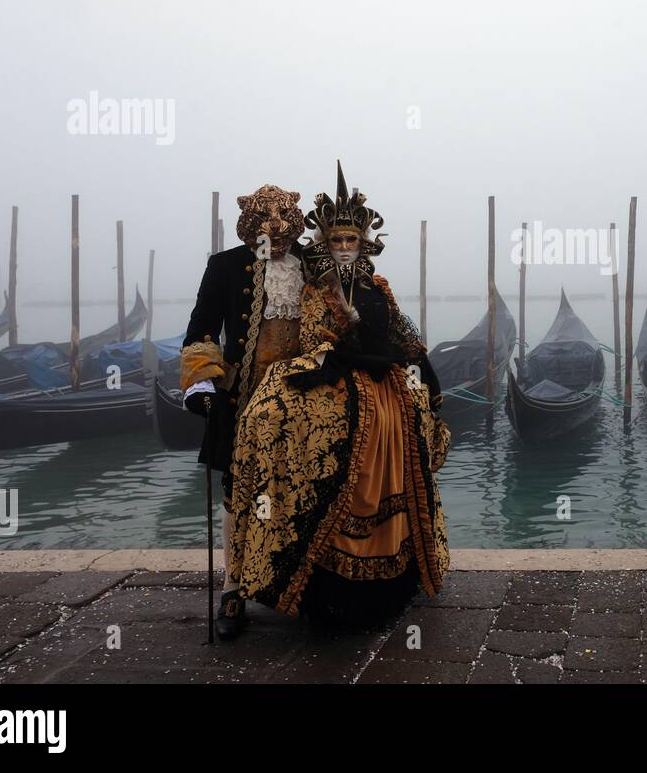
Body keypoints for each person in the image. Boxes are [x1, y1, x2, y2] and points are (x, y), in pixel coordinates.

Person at [226, 162, 450, 632]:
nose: (345, 248)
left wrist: (421, 370)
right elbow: (313, 338)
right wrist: (346, 339)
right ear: (325, 244)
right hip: (339, 376)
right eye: (337, 241)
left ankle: (391, 579)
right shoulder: (316, 290)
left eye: (352, 241)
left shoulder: (378, 287)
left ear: (363, 244)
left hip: (384, 383)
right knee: (274, 417)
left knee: (404, 425)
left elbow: (404, 336)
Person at [180, 184, 307, 640]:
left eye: (286, 227)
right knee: (239, 490)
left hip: (307, 395)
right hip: (245, 398)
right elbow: (201, 330)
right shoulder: (226, 266)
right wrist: (202, 385)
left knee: (304, 487)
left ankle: (298, 582)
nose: (278, 236)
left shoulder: (312, 265)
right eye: (268, 227)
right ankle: (234, 587)